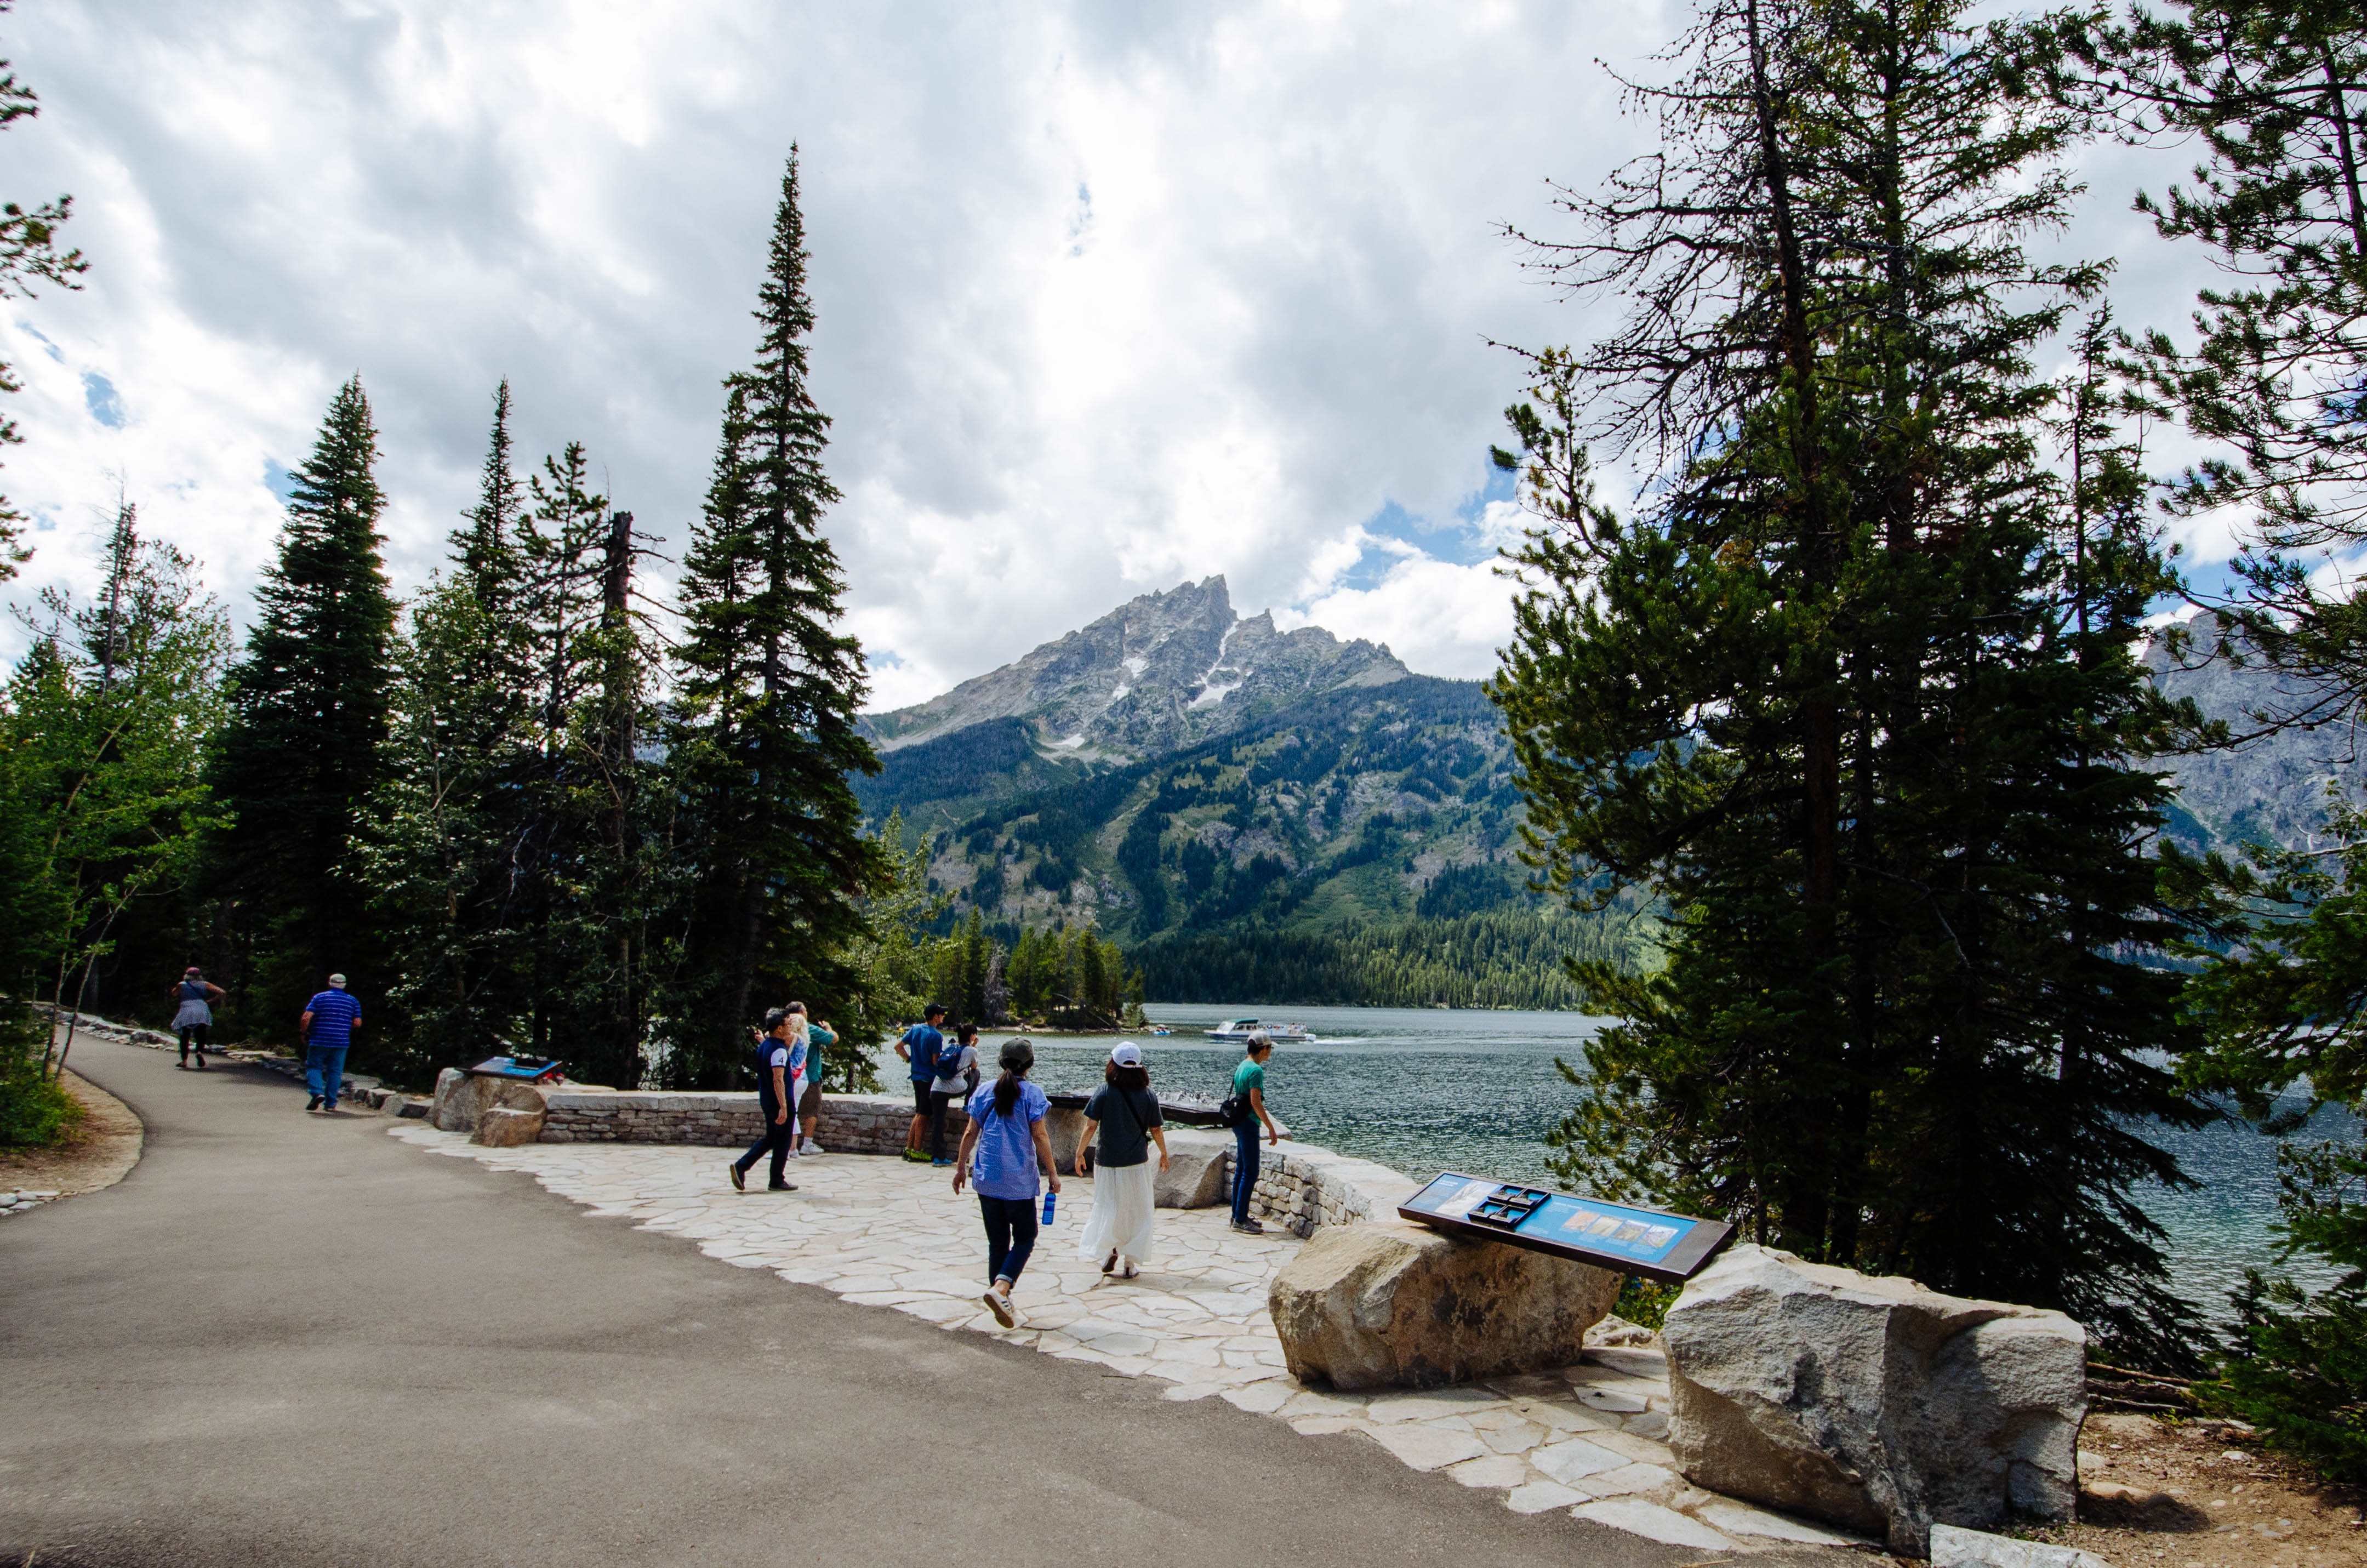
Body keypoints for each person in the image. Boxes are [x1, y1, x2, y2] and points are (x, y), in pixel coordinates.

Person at [953, 1038, 1060, 1328]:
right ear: (1030, 1065)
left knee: (997, 1242)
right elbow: (1040, 1137)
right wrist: (1052, 1174)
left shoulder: (985, 1091)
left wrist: (961, 1168)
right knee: (1025, 1238)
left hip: (987, 1179)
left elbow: (969, 1134)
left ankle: (1000, 1296)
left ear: (1001, 1062)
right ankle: (1001, 1290)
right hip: (1018, 1182)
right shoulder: (1032, 1095)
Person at [1076, 1041, 1168, 1278]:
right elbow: (1156, 1129)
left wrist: (1079, 1153)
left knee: (1108, 1206)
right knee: (1137, 1210)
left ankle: (1109, 1250)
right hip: (1136, 1163)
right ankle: (1130, 1263)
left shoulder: (1105, 1091)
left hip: (1107, 1162)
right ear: (1140, 1066)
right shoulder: (1148, 1095)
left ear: (1113, 1064)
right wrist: (1164, 1154)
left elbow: (1090, 1126)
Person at [728, 1008, 799, 1193]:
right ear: (779, 1028)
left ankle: (742, 1166)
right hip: (779, 1102)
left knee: (771, 1138)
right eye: (787, 1023)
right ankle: (776, 1179)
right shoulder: (779, 1051)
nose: (790, 1026)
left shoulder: (764, 1046)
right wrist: (784, 1107)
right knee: (783, 1141)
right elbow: (778, 1079)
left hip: (767, 1100)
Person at [1228, 1030, 1281, 1235]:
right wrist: (1270, 1126)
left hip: (1238, 1122)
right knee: (1250, 1171)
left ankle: (1237, 1215)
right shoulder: (1256, 1071)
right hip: (1249, 1123)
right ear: (1264, 1049)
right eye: (1270, 1049)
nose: (1270, 1052)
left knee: (1241, 1170)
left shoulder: (1242, 1066)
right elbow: (1255, 1102)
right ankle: (1240, 1220)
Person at [299, 974, 363, 1113]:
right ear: (344, 985)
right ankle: (330, 1103)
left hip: (319, 1039)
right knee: (335, 1072)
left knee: (314, 1067)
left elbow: (306, 1017)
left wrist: (304, 1033)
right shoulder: (353, 1001)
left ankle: (317, 1092)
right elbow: (357, 1023)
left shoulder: (320, 998)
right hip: (341, 1041)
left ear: (329, 984)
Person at [893, 1003, 947, 1163]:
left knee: (919, 1113)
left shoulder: (916, 1029)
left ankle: (909, 1148)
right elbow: (935, 1061)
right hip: (928, 1079)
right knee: (923, 1115)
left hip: (916, 1076)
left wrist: (910, 1059)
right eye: (942, 1014)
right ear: (936, 1017)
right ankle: (917, 1151)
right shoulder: (936, 1036)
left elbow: (898, 1047)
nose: (944, 1016)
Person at [927, 1022, 979, 1167]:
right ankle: (967, 1103)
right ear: (971, 1036)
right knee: (976, 1074)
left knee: (938, 1123)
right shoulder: (971, 1051)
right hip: (956, 1089)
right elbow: (973, 1066)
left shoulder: (951, 1047)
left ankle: (938, 1157)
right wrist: (974, 1045)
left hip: (937, 1088)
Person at [169, 967, 225, 1070]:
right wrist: (211, 1001)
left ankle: (184, 1061)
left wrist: (177, 988)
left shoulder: (182, 985)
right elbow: (222, 992)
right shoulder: (205, 984)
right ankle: (199, 1052)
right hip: (201, 1009)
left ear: (187, 975)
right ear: (199, 976)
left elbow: (175, 994)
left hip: (187, 1010)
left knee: (184, 1036)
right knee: (200, 1034)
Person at [798, 1012, 836, 1155]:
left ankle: (786, 1146)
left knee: (790, 1112)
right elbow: (833, 1039)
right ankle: (807, 1144)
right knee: (812, 1111)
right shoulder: (809, 1029)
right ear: (802, 1014)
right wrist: (828, 1028)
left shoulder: (785, 1030)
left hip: (791, 1077)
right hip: (810, 1076)